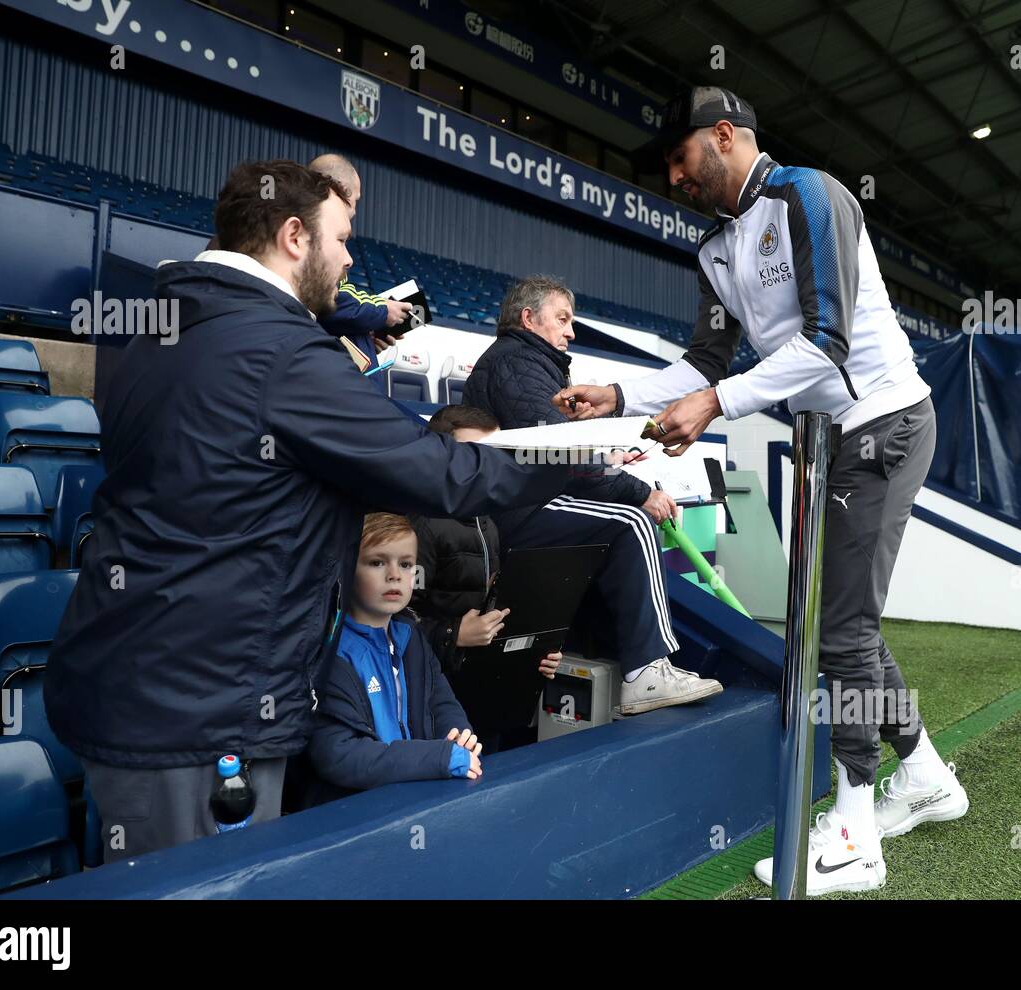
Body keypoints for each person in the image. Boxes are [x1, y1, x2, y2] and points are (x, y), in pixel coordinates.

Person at [45, 159, 572, 863]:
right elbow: (437, 473)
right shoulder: (284, 351)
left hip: (139, 688)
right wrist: (565, 452)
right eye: (342, 237)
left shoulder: (159, 333)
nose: (349, 258)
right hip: (198, 714)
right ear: (296, 236)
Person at [554, 87, 968, 895]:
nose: (674, 177)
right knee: (849, 627)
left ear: (723, 135)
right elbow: (706, 361)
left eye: (681, 159)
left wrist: (715, 404)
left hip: (884, 421)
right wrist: (620, 395)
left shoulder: (810, 195)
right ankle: (921, 771)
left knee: (841, 632)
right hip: (832, 439)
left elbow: (826, 341)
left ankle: (854, 832)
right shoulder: (713, 251)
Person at [467, 275, 723, 715]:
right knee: (633, 521)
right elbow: (560, 454)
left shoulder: (529, 364)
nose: (571, 331)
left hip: (520, 505)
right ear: (528, 318)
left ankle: (633, 664)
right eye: (562, 319)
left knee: (621, 521)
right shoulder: (514, 360)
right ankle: (646, 670)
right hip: (515, 511)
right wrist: (639, 493)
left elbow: (561, 448)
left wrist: (609, 454)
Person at [303, 513, 488, 802]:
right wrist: (437, 758)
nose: (394, 575)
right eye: (377, 562)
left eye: (405, 564)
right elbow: (338, 754)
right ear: (347, 568)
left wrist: (458, 736)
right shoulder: (331, 651)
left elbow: (440, 701)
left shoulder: (411, 636)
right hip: (352, 814)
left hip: (414, 797)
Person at [410, 405, 562, 748]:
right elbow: (394, 620)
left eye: (494, 455)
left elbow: (491, 611)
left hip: (480, 691)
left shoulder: (488, 522)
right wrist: (453, 634)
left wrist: (533, 650)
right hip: (432, 701)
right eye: (473, 455)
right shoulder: (419, 524)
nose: (486, 467)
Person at [307, 153, 413, 388]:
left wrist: (365, 336)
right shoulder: (312, 243)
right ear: (341, 191)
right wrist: (383, 312)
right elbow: (337, 304)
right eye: (356, 198)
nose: (349, 260)